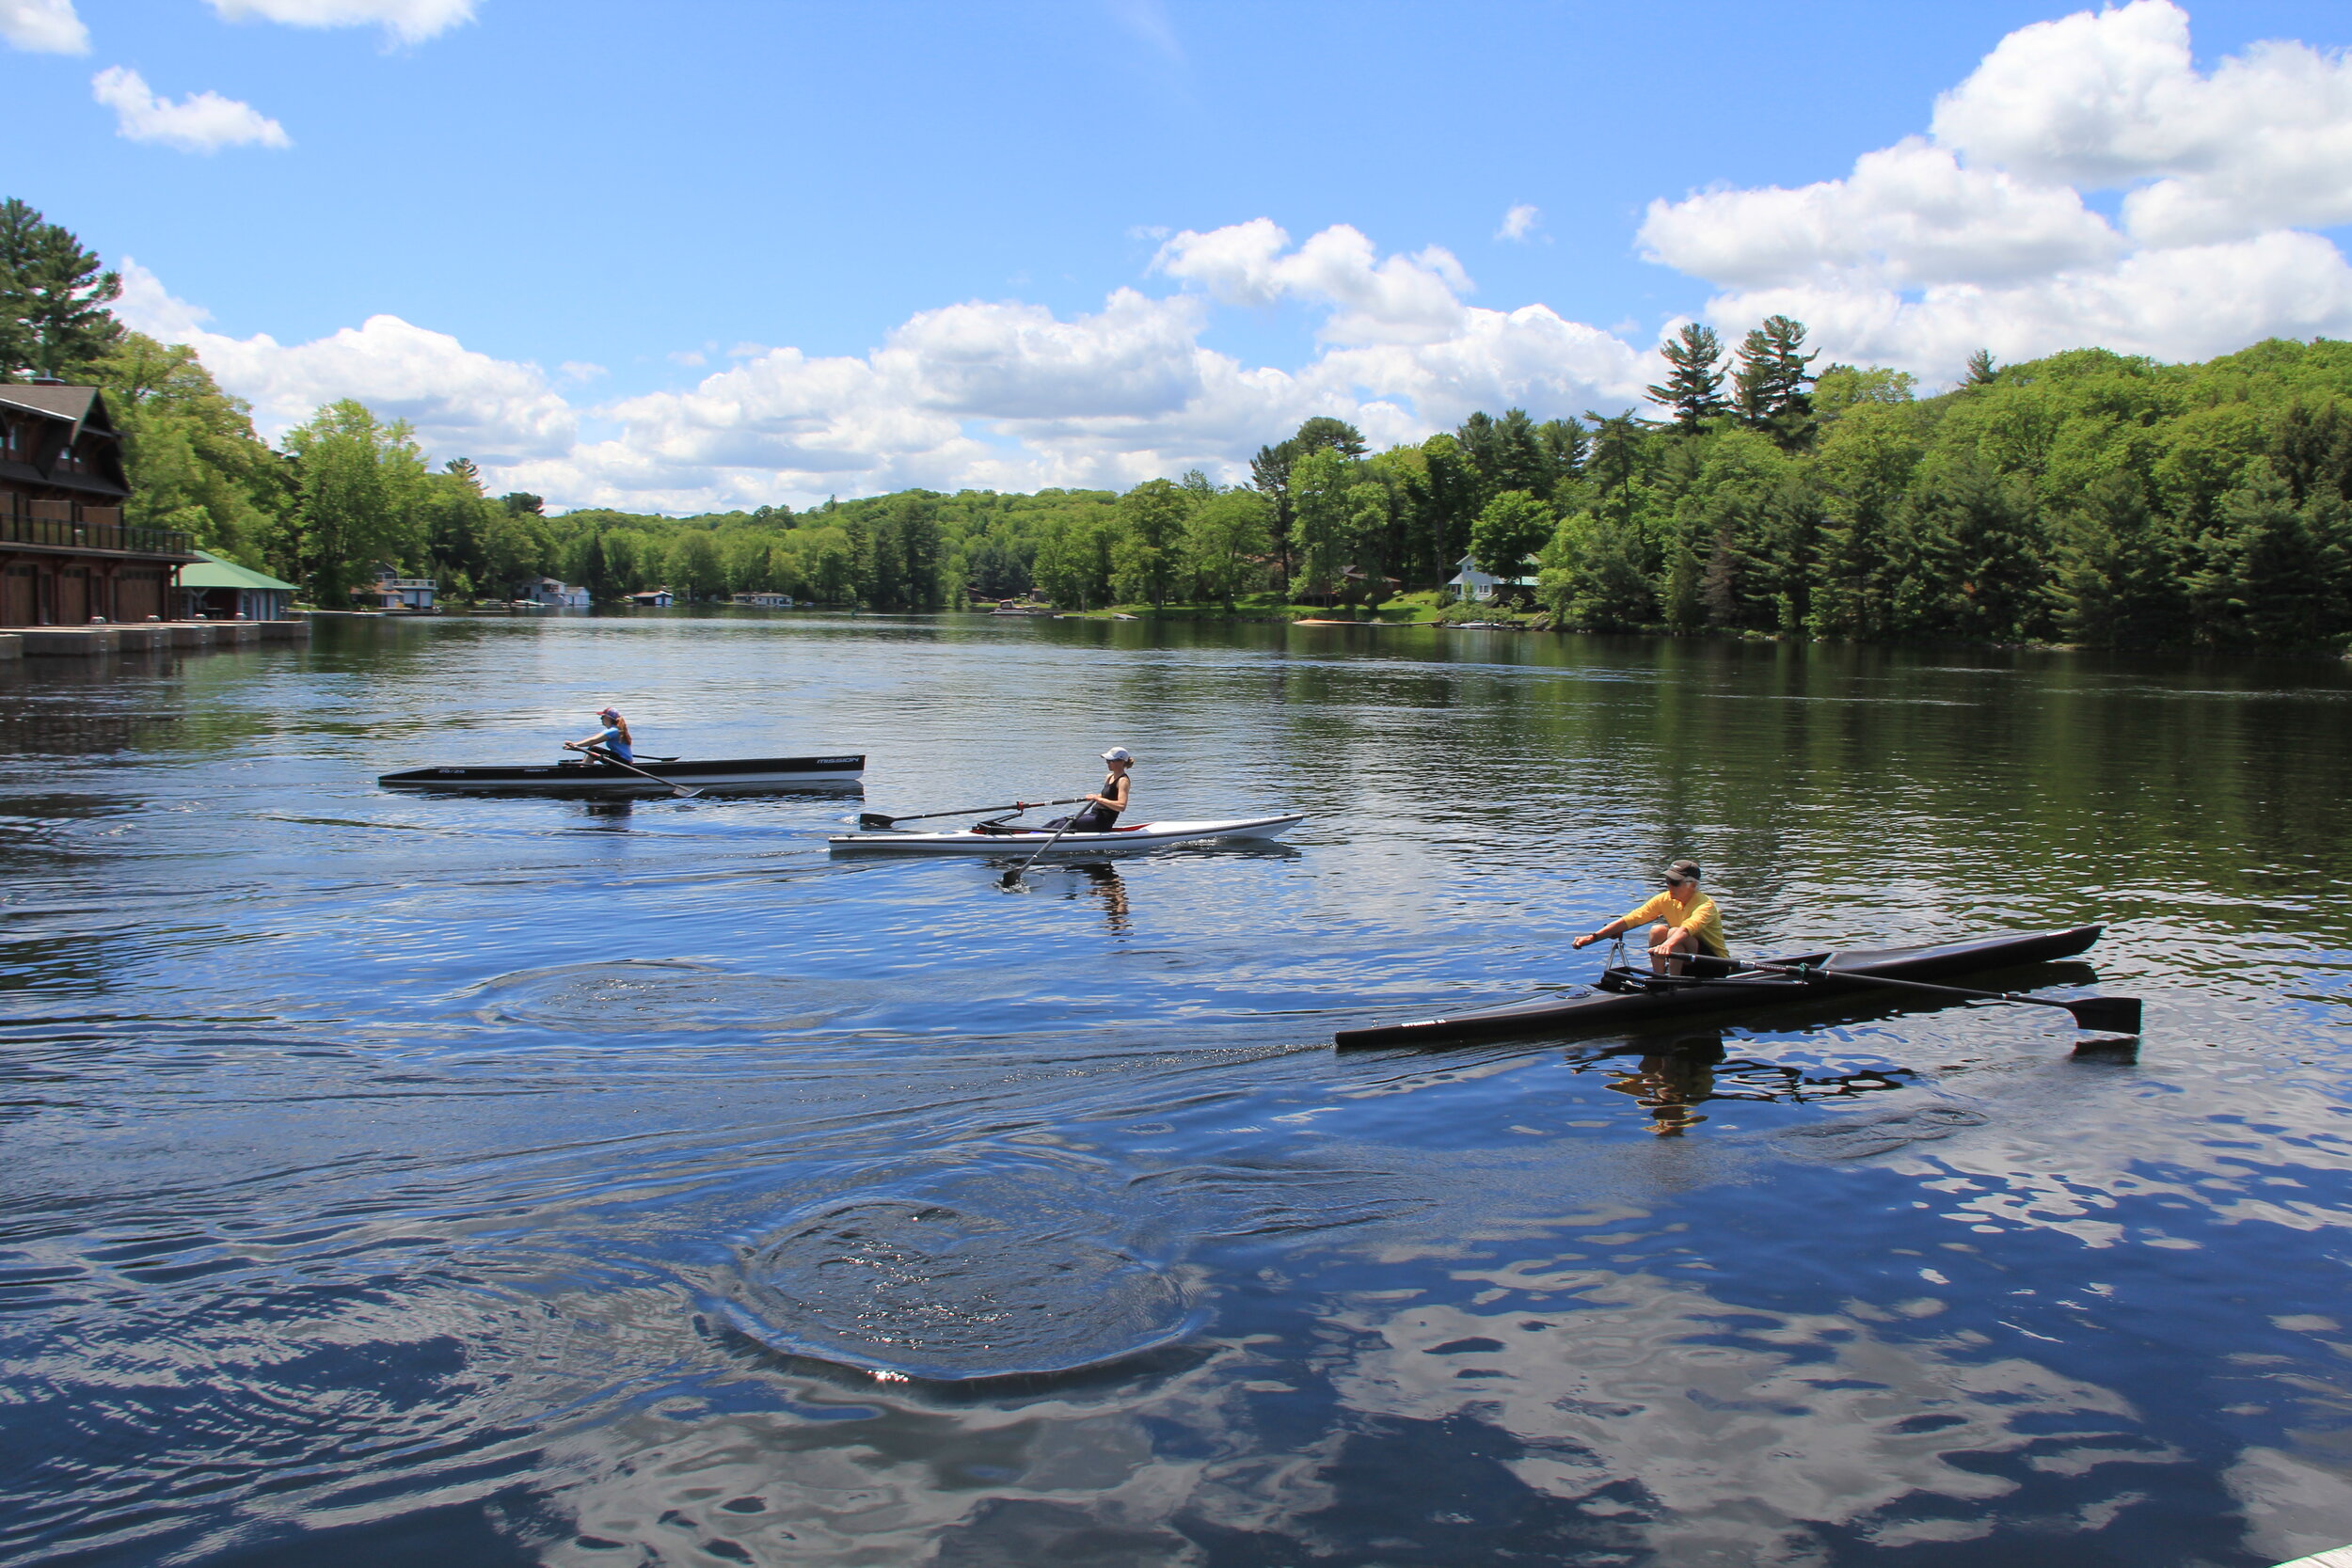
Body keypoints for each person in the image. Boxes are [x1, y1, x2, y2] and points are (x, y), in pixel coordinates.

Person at [1572, 860, 1727, 974]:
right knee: (1657, 930)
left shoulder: (1705, 905)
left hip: (1715, 965)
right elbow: (1632, 919)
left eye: (1674, 882)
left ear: (1692, 885)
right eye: (1668, 881)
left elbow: (1688, 928)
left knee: (1674, 933)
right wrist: (1592, 938)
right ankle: (1659, 980)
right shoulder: (1665, 899)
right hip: (1686, 958)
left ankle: (1673, 986)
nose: (1669, 886)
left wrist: (1667, 945)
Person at [1025, 747, 1133, 833]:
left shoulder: (1123, 781)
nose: (1107, 763)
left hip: (1102, 821)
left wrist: (1097, 799)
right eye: (1107, 760)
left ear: (1121, 762)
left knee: (1060, 825)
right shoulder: (1109, 776)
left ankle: (1031, 841)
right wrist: (1097, 796)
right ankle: (1031, 836)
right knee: (1055, 822)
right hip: (1093, 815)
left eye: (1111, 761)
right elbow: (1107, 795)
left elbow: (1121, 806)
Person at [565, 706, 634, 765]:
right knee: (593, 750)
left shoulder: (613, 731)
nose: (601, 719)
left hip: (623, 763)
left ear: (608, 718)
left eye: (602, 717)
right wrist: (576, 747)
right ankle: (585, 767)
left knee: (593, 749)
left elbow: (593, 740)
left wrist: (574, 745)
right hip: (622, 760)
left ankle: (583, 771)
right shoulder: (616, 729)